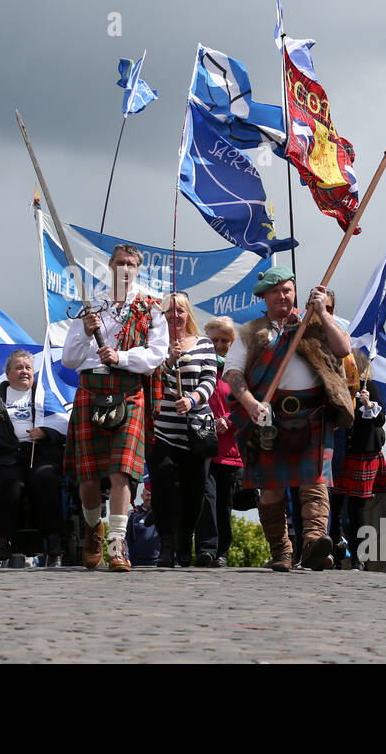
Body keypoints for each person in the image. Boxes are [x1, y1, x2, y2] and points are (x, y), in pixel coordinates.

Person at [222, 268, 355, 572]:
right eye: (275, 291)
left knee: (316, 481)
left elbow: (344, 349)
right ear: (264, 296)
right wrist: (251, 403)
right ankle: (281, 550)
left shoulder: (314, 323)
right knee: (271, 488)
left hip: (313, 413)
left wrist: (321, 311)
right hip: (270, 415)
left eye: (287, 290)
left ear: (295, 293)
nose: (282, 296)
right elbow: (233, 374)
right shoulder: (250, 332)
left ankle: (313, 543)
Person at [61, 244, 169, 572]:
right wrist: (85, 332)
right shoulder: (91, 306)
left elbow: (157, 354)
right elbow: (69, 359)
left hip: (127, 387)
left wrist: (121, 357)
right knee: (89, 474)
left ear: (138, 269)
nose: (125, 268)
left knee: (121, 469)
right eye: (119, 262)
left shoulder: (151, 306)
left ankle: (117, 542)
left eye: (131, 264)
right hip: (91, 387)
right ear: (109, 265)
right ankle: (94, 528)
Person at [0, 349, 66, 566]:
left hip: (39, 455)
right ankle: (1, 539)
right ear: (8, 373)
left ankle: (54, 537)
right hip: (6, 456)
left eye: (28, 367)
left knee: (45, 479)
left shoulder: (45, 395)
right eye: (19, 367)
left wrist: (46, 432)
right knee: (11, 484)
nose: (24, 371)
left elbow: (63, 424)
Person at [147, 292, 217, 567]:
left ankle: (185, 540)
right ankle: (165, 545)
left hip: (196, 429)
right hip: (161, 430)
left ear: (188, 315)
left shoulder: (204, 344)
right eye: (168, 311)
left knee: (194, 490)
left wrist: (192, 399)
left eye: (180, 311)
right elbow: (149, 379)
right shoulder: (152, 345)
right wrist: (166, 362)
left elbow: (209, 379)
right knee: (163, 488)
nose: (174, 316)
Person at [330, 348, 386, 570]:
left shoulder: (370, 388)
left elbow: (380, 421)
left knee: (355, 511)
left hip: (361, 455)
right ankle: (335, 553)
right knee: (334, 508)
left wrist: (367, 404)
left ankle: (358, 558)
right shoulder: (336, 387)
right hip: (339, 453)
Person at [195, 316, 243, 567]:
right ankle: (206, 548)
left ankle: (222, 552)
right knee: (206, 498)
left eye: (225, 340)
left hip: (230, 448)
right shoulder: (199, 366)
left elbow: (245, 405)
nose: (219, 344)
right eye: (214, 340)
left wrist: (228, 420)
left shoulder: (236, 372)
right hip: (204, 445)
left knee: (224, 503)